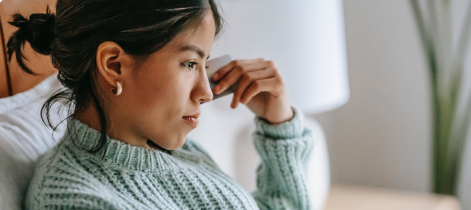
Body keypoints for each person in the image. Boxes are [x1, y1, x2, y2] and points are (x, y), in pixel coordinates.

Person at [6, 0, 314, 209]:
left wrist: (280, 125)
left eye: (203, 63)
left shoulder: (171, 150)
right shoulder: (77, 199)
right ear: (113, 65)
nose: (206, 93)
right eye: (190, 63)